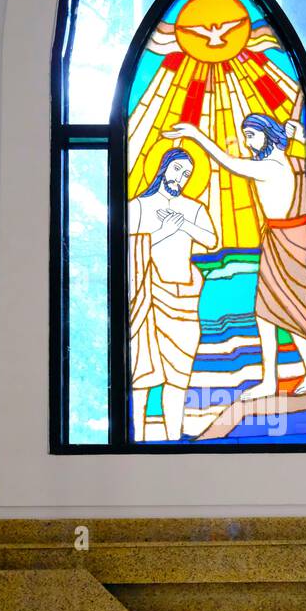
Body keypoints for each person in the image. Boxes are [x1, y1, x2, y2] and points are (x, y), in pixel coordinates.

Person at [164, 113, 306, 398]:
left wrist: (197, 135)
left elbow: (229, 162)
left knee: (290, 310)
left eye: (252, 135)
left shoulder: (271, 167)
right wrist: (301, 139)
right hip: (282, 239)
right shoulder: (295, 162)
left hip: (287, 242)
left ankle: (286, 377)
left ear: (268, 134)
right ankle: (273, 379)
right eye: (245, 135)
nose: (247, 142)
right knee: (273, 311)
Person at [128, 148, 218, 441]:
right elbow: (127, 249)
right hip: (149, 299)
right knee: (141, 375)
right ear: (162, 167)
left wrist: (184, 224)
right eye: (177, 169)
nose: (181, 178)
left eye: (187, 174)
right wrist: (163, 231)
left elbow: (211, 241)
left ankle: (172, 439)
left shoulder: (193, 208)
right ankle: (138, 439)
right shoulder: (137, 206)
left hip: (185, 302)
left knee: (179, 377)